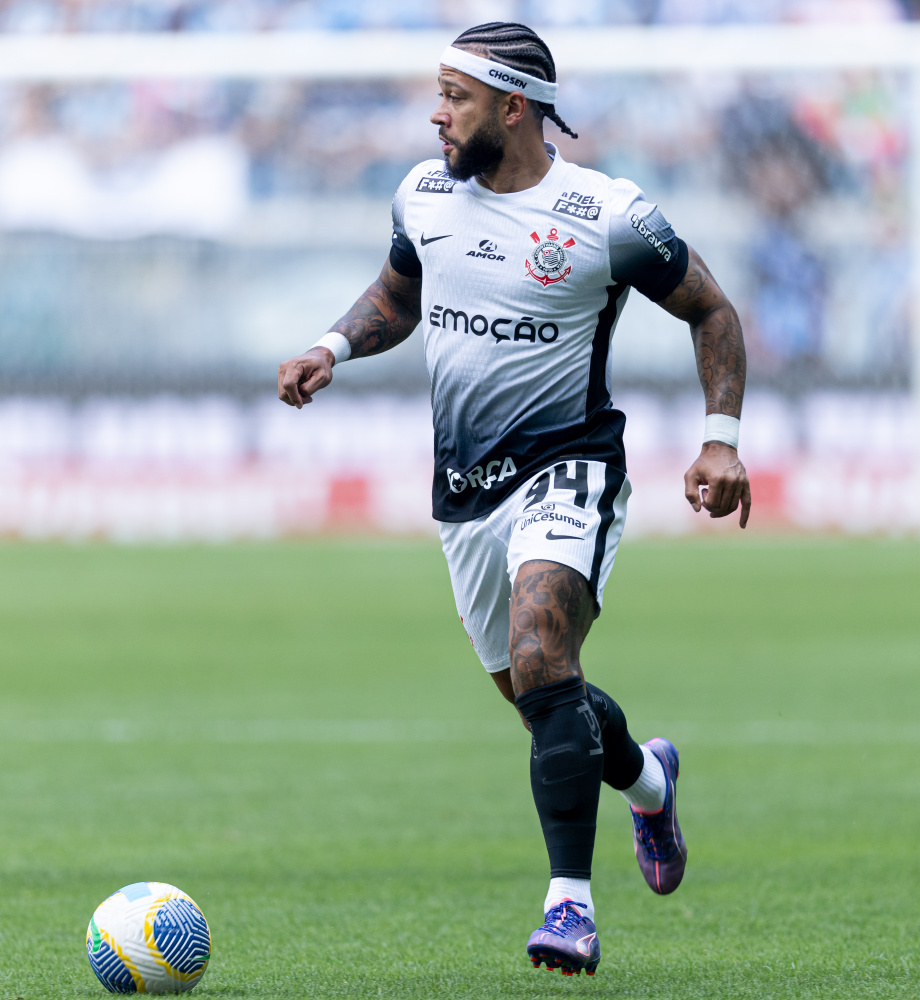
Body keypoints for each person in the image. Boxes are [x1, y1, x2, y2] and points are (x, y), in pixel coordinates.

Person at [278, 21, 750, 977]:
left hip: (570, 465)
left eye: (453, 96)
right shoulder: (423, 193)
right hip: (463, 489)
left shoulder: (607, 213)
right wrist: (331, 346)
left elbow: (711, 309)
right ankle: (649, 782)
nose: (435, 113)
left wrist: (719, 440)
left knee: (542, 653)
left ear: (513, 106)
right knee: (544, 699)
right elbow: (398, 296)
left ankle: (568, 907)